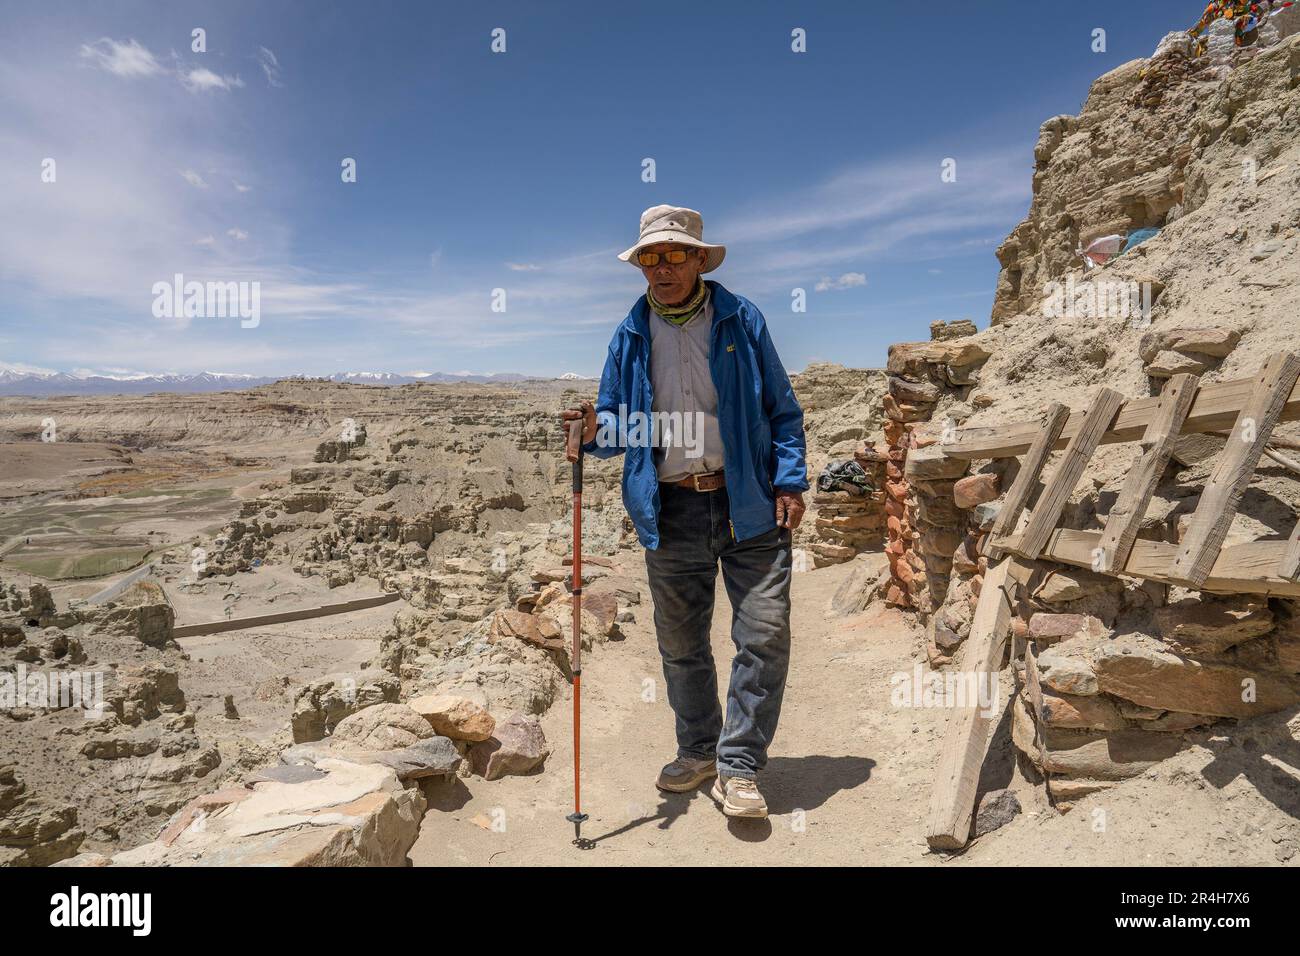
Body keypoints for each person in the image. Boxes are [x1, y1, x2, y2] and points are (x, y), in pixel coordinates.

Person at [561, 204, 808, 819]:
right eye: (650, 256)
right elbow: (620, 426)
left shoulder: (741, 319)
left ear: (700, 259)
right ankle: (699, 748)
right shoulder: (630, 333)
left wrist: (790, 480)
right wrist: (594, 428)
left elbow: (781, 408)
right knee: (680, 644)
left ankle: (741, 764)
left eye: (674, 254)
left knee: (764, 635)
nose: (662, 267)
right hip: (669, 508)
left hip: (747, 503)